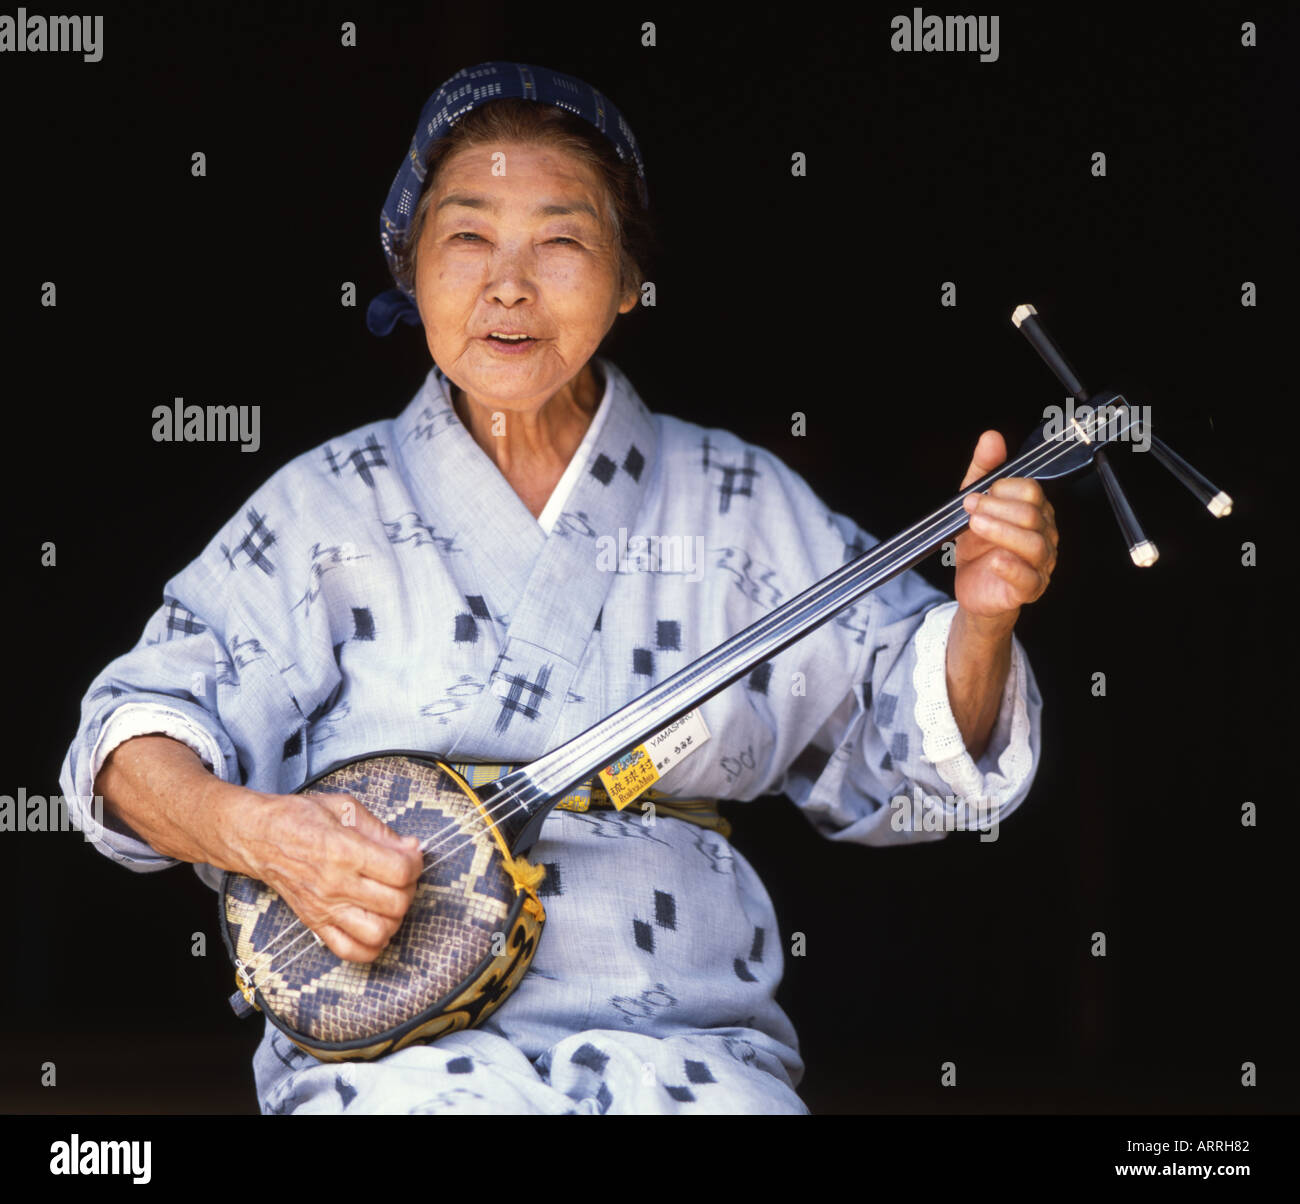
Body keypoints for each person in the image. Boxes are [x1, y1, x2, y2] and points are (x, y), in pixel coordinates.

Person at [59, 62, 1055, 1115]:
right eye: (469, 236)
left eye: (563, 240)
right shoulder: (322, 508)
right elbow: (131, 743)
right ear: (411, 269)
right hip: (386, 1060)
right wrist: (260, 836)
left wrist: (981, 623)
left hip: (687, 1047)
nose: (509, 285)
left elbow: (911, 743)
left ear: (629, 278)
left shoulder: (737, 501)